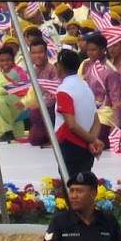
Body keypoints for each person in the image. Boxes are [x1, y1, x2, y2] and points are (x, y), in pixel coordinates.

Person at [50, 48, 103, 180]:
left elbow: (71, 125)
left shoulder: (64, 90)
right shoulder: (85, 86)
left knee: (71, 184)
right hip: (86, 146)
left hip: (70, 145)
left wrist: (93, 140)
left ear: (60, 67)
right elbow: (96, 119)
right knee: (85, 183)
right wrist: (92, 140)